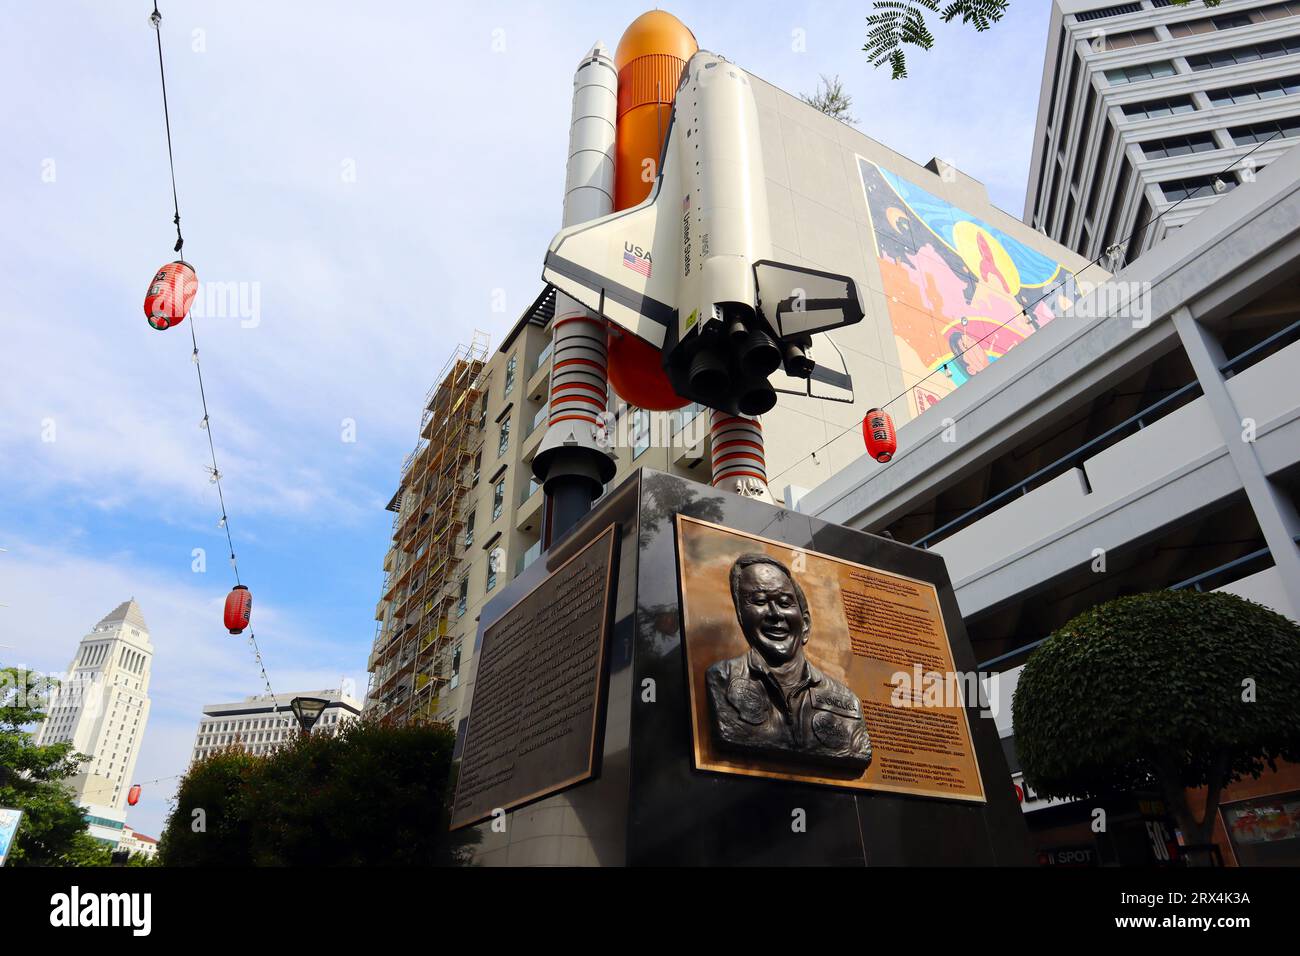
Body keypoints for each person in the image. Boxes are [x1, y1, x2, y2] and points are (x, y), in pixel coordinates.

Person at [705, 554, 871, 769]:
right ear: (740, 615)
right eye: (760, 602)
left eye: (785, 603)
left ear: (805, 625)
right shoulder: (722, 678)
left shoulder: (847, 702)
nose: (775, 614)